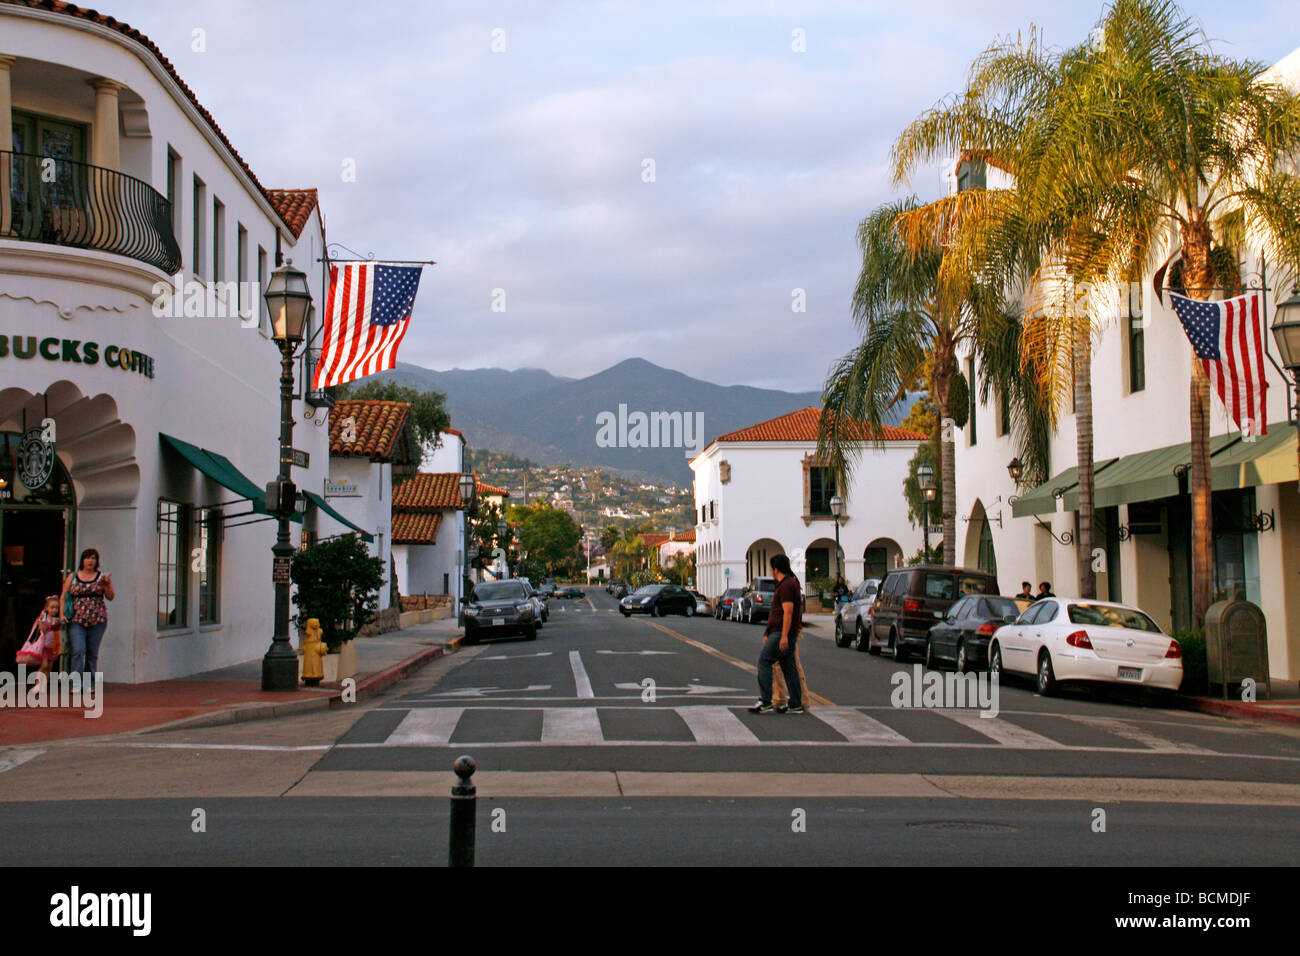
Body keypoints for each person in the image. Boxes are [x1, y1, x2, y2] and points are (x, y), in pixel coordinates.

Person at [750, 554, 803, 715]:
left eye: (772, 569)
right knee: (789, 667)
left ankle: (766, 701)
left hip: (781, 632)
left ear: (776, 569)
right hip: (779, 631)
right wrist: (768, 631)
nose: (771, 572)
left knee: (764, 662)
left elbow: (788, 612)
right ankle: (795, 703)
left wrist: (784, 636)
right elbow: (777, 612)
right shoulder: (786, 584)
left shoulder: (787, 586)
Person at [61, 547, 114, 678]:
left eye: (93, 558)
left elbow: (111, 596)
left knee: (92, 653)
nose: (90, 561)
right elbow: (63, 595)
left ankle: (90, 681)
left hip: (97, 619)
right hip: (77, 619)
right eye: (87, 558)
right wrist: (62, 614)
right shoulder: (72, 576)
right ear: (82, 560)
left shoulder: (102, 577)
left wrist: (107, 585)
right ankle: (76, 681)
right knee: (78, 650)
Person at [15, 594, 62, 686]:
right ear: (46, 608)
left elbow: (59, 632)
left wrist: (59, 624)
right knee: (44, 665)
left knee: (49, 667)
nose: (54, 610)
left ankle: (43, 685)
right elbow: (43, 629)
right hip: (44, 645)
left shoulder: (56, 619)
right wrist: (43, 618)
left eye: (56, 608)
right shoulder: (44, 618)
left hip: (52, 646)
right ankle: (37, 684)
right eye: (52, 607)